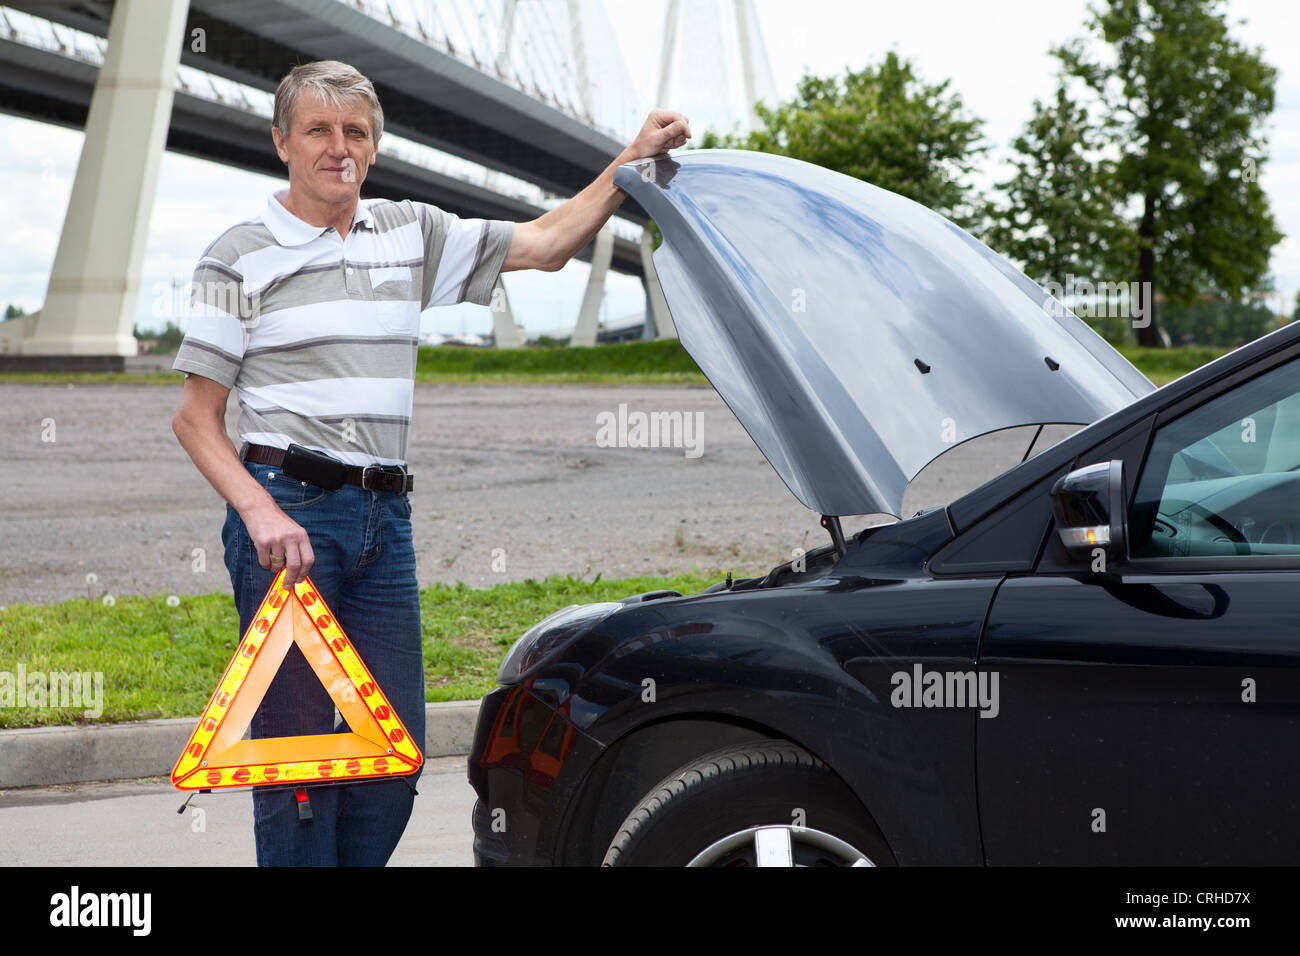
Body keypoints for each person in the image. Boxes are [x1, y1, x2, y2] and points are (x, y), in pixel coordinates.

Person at [169, 60, 689, 866]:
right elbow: (195, 419)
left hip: (385, 523)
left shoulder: (409, 232)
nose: (338, 148)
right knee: (303, 771)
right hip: (288, 520)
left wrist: (632, 160)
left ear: (374, 148)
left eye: (356, 133)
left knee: (393, 761)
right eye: (318, 130)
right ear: (281, 141)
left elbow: (548, 245)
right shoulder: (239, 256)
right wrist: (259, 511)